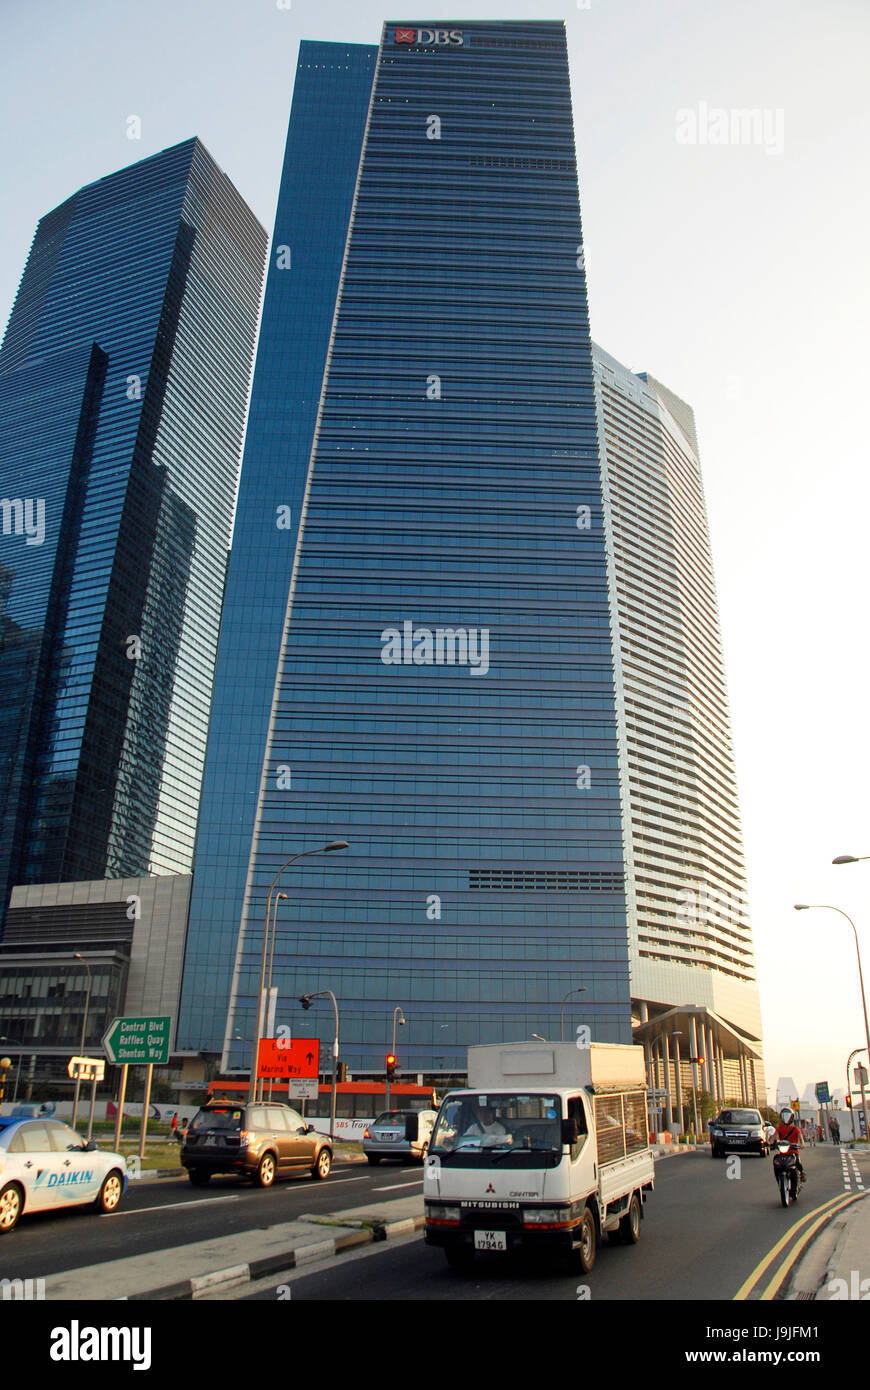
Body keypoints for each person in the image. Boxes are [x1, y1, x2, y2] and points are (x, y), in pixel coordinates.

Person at [774, 1107, 806, 1183]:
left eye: (788, 1116)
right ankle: (778, 1178)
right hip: (783, 1152)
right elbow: (773, 1138)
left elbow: (801, 1140)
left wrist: (802, 1144)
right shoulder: (779, 1128)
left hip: (793, 1151)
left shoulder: (796, 1129)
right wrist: (769, 1142)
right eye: (784, 1116)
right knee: (776, 1162)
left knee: (797, 1162)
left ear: (791, 1117)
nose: (786, 1119)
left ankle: (802, 1173)